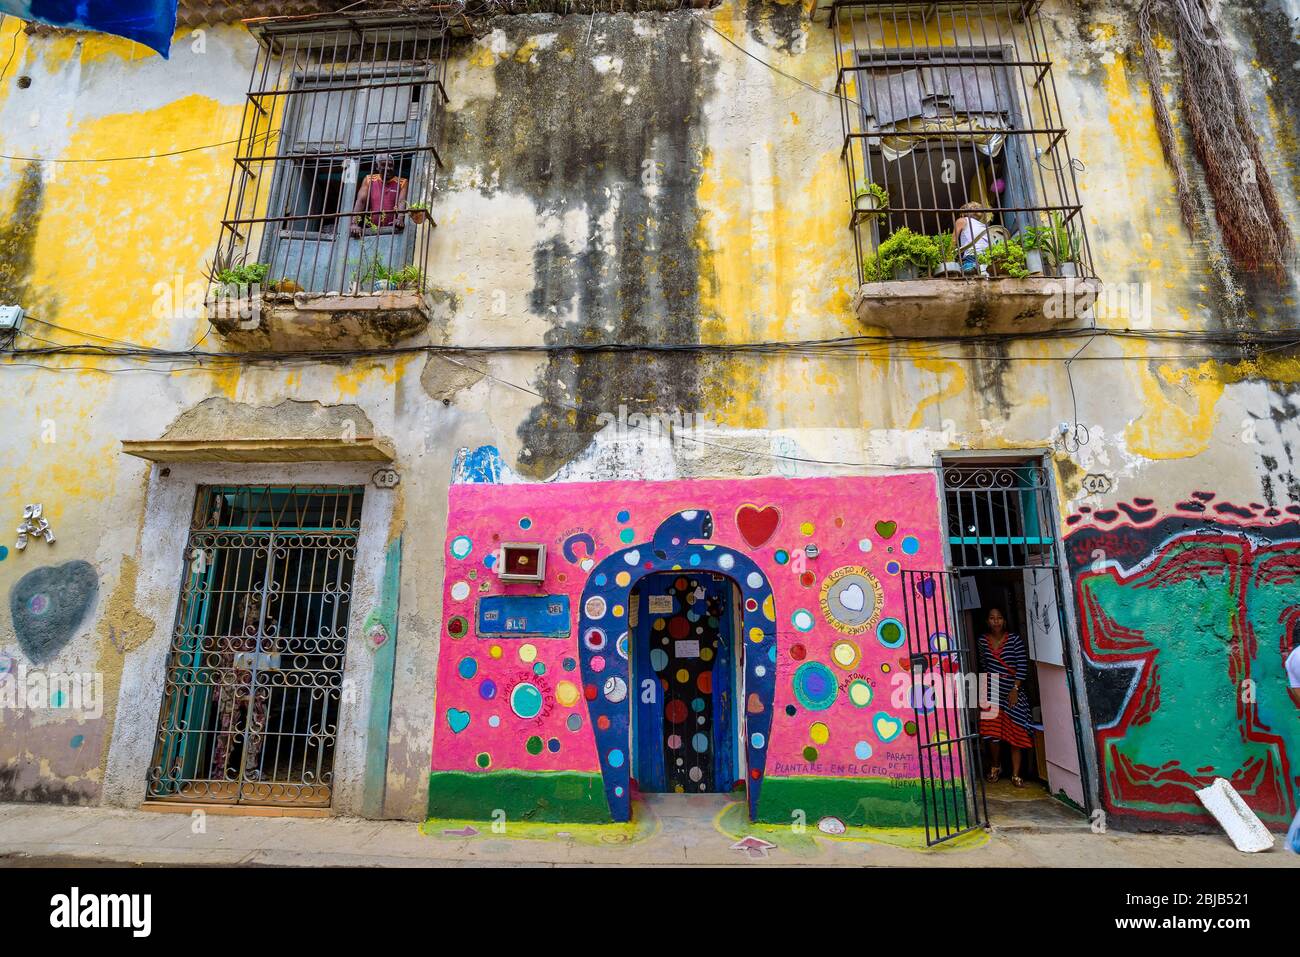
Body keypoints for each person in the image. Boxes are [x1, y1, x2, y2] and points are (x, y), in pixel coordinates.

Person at [210, 592, 273, 783]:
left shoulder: (264, 638)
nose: (251, 612)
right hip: (232, 688)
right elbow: (223, 664)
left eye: (255, 607)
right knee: (226, 730)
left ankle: (250, 769)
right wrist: (220, 691)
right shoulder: (232, 636)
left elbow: (272, 662)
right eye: (247, 607)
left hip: (254, 688)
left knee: (257, 726)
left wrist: (274, 630)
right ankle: (220, 770)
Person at [976, 607, 1033, 787]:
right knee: (992, 733)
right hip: (992, 689)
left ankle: (1016, 774)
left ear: (1004, 620)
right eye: (992, 618)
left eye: (999, 617)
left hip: (1012, 689)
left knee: (1015, 731)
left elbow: (1022, 665)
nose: (996, 621)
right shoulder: (982, 641)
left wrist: (1015, 688)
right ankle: (995, 766)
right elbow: (984, 665)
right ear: (987, 621)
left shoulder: (1014, 640)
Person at [349, 153, 408, 237]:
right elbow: (361, 201)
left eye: (390, 165)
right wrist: (354, 223)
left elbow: (402, 201)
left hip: (393, 230)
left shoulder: (402, 182)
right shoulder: (369, 180)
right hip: (372, 230)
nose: (388, 168)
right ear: (377, 167)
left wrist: (400, 219)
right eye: (383, 165)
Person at [952, 201, 992, 276]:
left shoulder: (962, 220)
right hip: (988, 260)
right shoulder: (984, 227)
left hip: (972, 258)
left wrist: (948, 258)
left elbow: (953, 241)